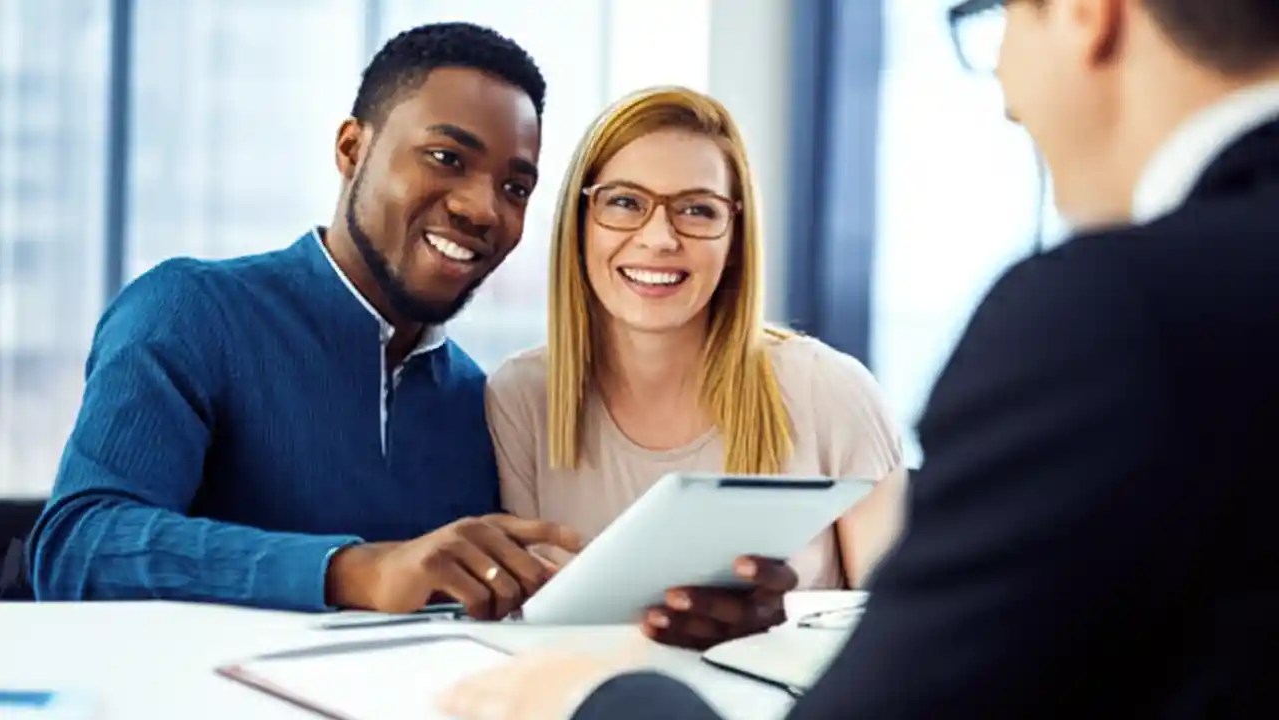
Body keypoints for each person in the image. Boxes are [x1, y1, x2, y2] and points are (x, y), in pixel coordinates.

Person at [438, 0, 1279, 717]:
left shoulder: (1109, 314)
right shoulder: (516, 394)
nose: (1007, 97)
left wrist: (599, 693)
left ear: (1089, 15)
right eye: (624, 203)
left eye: (994, 18)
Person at [26, 22, 584, 620]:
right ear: (352, 149)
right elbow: (77, 550)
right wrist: (354, 570)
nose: (483, 208)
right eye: (446, 158)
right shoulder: (190, 310)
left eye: (515, 187)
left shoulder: (477, 402)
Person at [483, 86, 908, 649]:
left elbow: (906, 636)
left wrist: (783, 625)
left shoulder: (829, 390)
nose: (659, 238)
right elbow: (532, 633)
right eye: (625, 202)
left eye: (697, 210)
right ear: (580, 220)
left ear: (734, 238)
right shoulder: (522, 397)